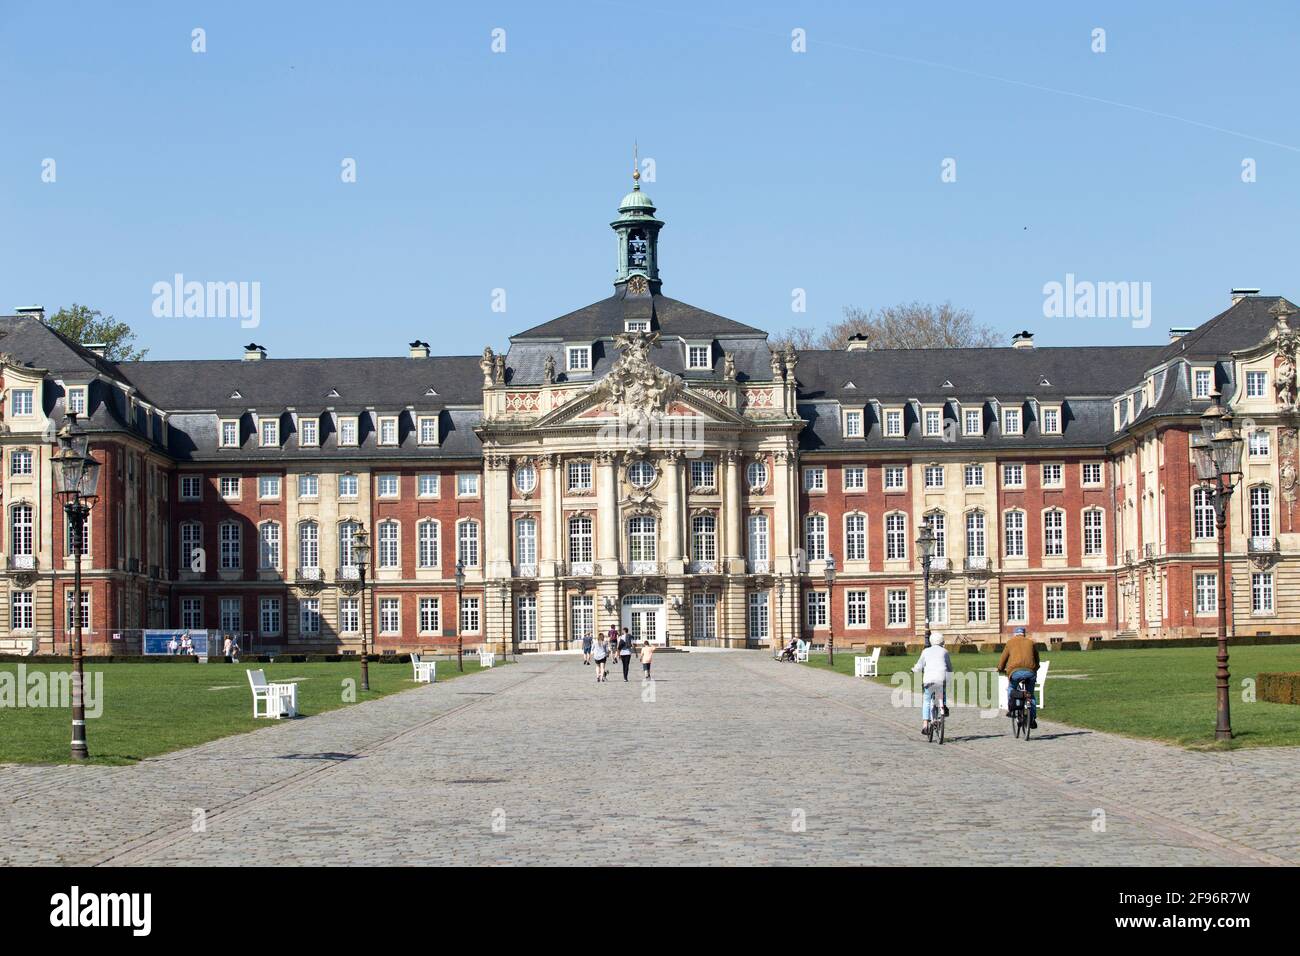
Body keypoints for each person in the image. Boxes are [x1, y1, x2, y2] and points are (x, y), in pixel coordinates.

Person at [910, 631, 952, 736]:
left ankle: (925, 725)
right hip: (941, 679)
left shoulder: (926, 651)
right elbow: (949, 667)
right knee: (942, 691)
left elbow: (919, 665)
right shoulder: (945, 651)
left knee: (927, 700)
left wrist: (914, 670)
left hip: (928, 681)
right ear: (942, 641)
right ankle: (944, 706)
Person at [998, 626, 1040, 729]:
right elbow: (1037, 658)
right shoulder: (1031, 643)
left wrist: (1000, 668)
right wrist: (1036, 668)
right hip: (1030, 672)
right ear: (1024, 634)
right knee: (1030, 694)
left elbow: (1003, 658)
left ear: (1015, 634)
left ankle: (1011, 710)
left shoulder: (1010, 642)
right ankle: (1032, 718)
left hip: (1015, 672)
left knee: (1011, 688)